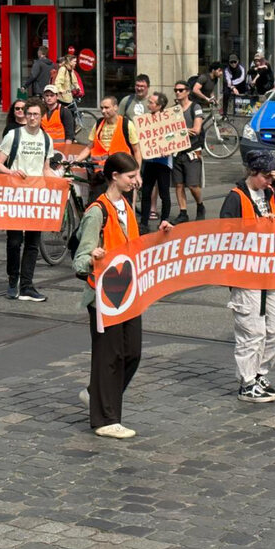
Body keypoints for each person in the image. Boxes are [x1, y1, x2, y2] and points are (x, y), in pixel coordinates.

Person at [74, 153, 170, 439]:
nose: (135, 181)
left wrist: (161, 236)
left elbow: (134, 245)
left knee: (132, 353)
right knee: (110, 356)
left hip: (129, 291)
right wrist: (93, 257)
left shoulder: (126, 206)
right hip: (104, 297)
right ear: (115, 176)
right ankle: (105, 419)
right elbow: (79, 260)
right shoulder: (96, 211)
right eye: (130, 177)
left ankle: (97, 392)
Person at [219, 151, 275, 402]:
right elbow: (225, 235)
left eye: (272, 177)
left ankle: (259, 372)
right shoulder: (235, 199)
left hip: (272, 273)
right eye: (266, 177)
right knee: (252, 331)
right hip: (246, 276)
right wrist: (257, 226)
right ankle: (247, 381)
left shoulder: (272, 194)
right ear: (252, 173)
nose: (270, 181)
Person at [0, 98, 54, 303]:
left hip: (36, 196)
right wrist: (12, 171)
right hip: (16, 195)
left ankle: (27, 285)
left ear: (42, 116)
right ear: (25, 115)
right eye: (30, 114)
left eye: (37, 114)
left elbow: (45, 169)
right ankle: (13, 281)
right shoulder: (13, 135)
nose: (33, 117)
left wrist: (60, 179)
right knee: (14, 241)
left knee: (33, 244)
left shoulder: (46, 139)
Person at [70, 95, 142, 202]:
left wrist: (137, 174)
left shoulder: (127, 125)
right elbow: (90, 147)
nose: (103, 111)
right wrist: (76, 161)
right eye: (102, 108)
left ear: (116, 107)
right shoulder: (99, 124)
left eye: (107, 107)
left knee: (122, 207)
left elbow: (137, 151)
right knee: (97, 205)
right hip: (101, 175)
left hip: (122, 174)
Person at [137, 92, 173, 232]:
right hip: (150, 161)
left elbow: (174, 137)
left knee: (164, 192)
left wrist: (168, 147)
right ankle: (144, 222)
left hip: (164, 162)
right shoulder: (145, 120)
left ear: (159, 106)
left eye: (151, 102)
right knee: (146, 191)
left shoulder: (168, 119)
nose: (148, 104)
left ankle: (164, 220)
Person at [171, 80, 206, 223]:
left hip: (192, 151)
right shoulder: (173, 110)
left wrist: (178, 131)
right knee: (178, 184)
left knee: (192, 185)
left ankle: (200, 205)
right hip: (177, 152)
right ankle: (183, 212)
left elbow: (196, 130)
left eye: (180, 90)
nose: (178, 93)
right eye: (176, 90)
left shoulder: (195, 107)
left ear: (188, 91)